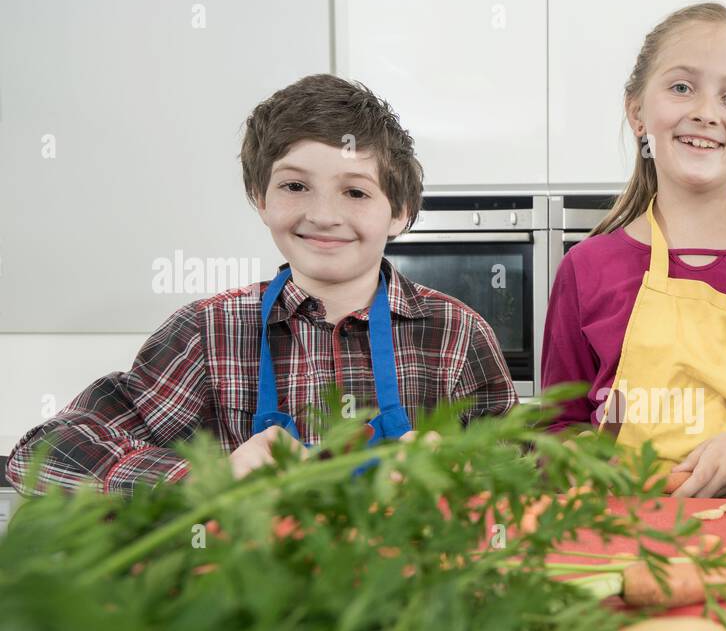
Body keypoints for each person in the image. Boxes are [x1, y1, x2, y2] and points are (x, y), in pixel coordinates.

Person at [5, 75, 516, 495]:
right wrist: (210, 477)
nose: (323, 215)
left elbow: (528, 466)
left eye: (355, 192)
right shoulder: (207, 332)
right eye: (295, 186)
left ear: (400, 213)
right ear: (260, 197)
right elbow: (43, 453)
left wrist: (464, 472)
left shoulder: (457, 332)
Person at [540, 3, 726, 498]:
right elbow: (556, 430)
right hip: (618, 533)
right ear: (638, 112)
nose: (705, 112)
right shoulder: (586, 268)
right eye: (682, 87)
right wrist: (578, 457)